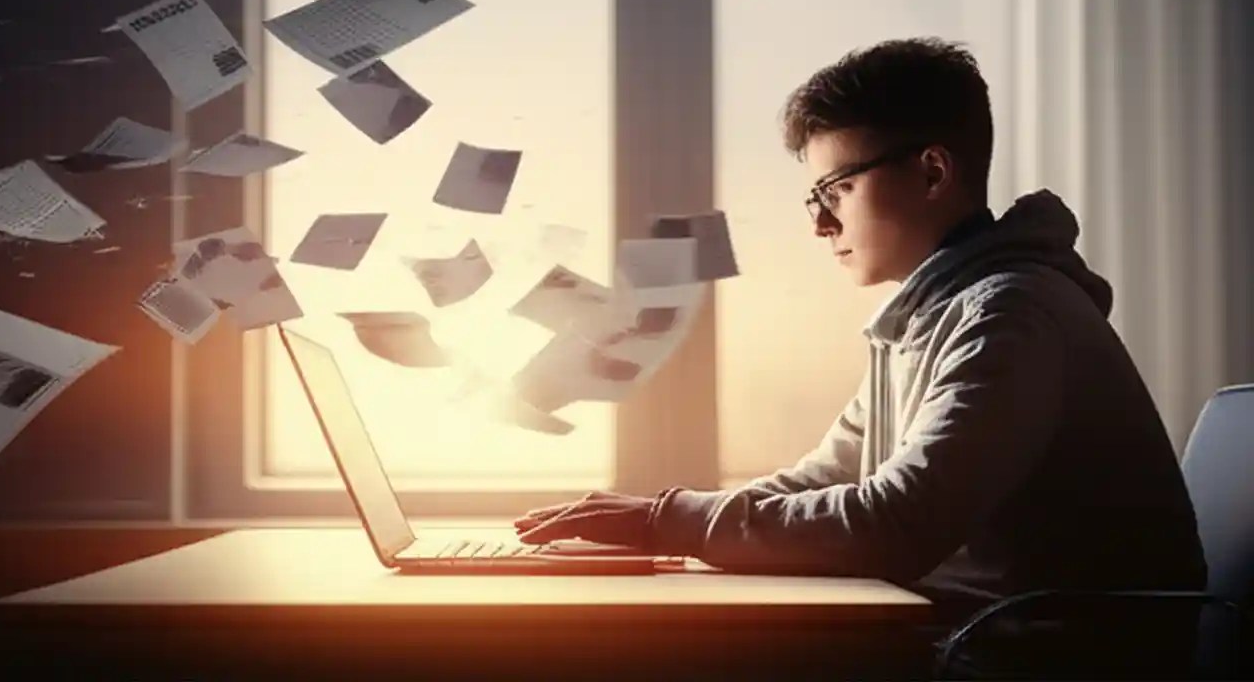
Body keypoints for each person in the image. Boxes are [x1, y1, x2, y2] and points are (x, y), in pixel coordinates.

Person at [514, 37, 1206, 623]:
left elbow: (896, 523)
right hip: (980, 637)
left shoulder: (1009, 314)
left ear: (933, 171)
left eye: (835, 190)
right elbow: (825, 477)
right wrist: (658, 521)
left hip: (1042, 656)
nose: (820, 224)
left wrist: (669, 521)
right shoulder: (927, 318)